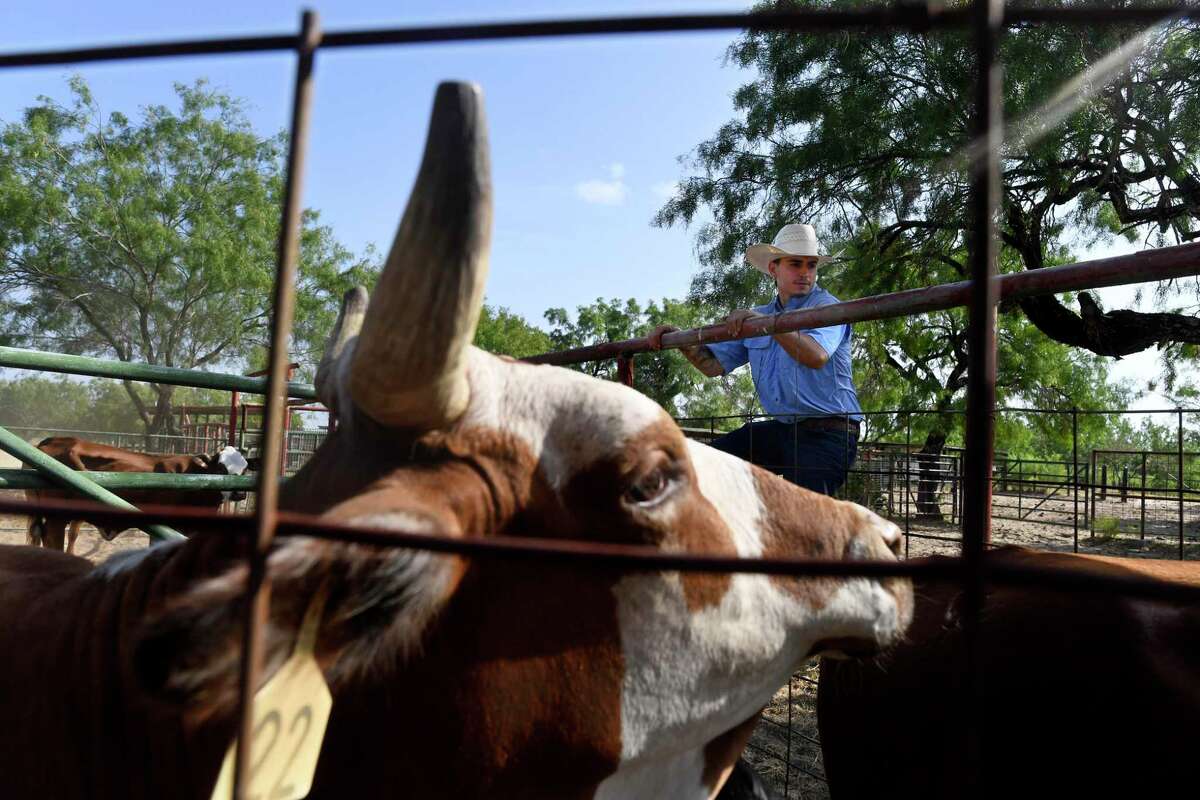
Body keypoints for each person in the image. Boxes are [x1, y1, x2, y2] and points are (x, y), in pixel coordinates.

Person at [649, 223, 862, 496]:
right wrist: (679, 340)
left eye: (811, 265)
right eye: (795, 264)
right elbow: (713, 366)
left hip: (829, 433)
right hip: (785, 429)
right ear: (774, 269)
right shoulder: (758, 316)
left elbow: (816, 355)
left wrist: (766, 324)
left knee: (798, 510)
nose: (805, 273)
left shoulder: (827, 307)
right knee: (704, 466)